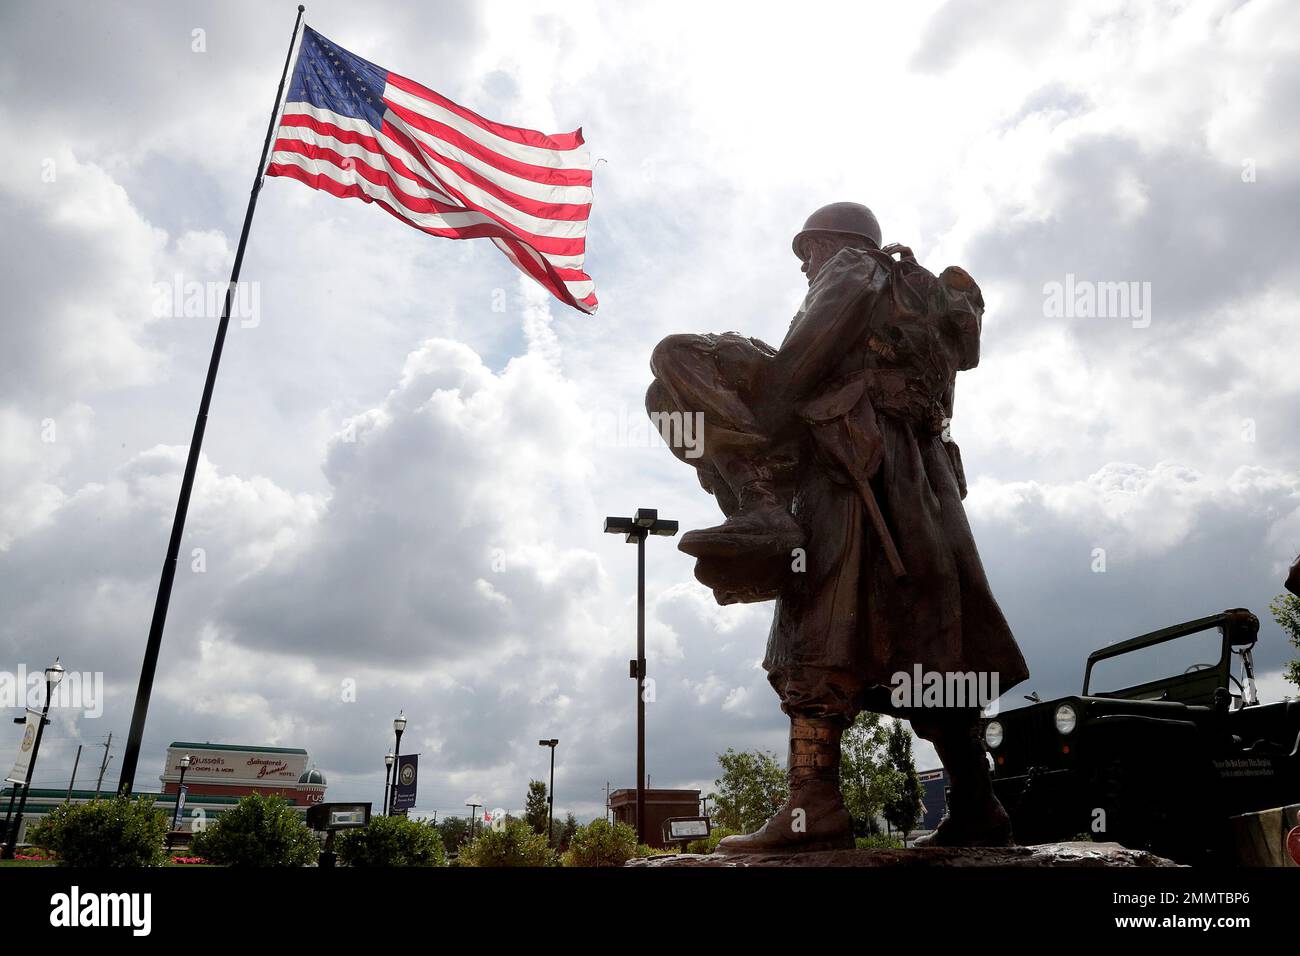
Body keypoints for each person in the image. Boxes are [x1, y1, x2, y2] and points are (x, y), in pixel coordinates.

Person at [646, 202, 1029, 851]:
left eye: (807, 254)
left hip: (854, 465)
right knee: (936, 647)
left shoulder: (855, 266)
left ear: (833, 242)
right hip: (923, 485)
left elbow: (806, 353)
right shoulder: (924, 298)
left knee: (821, 619)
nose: (804, 268)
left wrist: (758, 429)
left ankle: (813, 803)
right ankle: (977, 801)